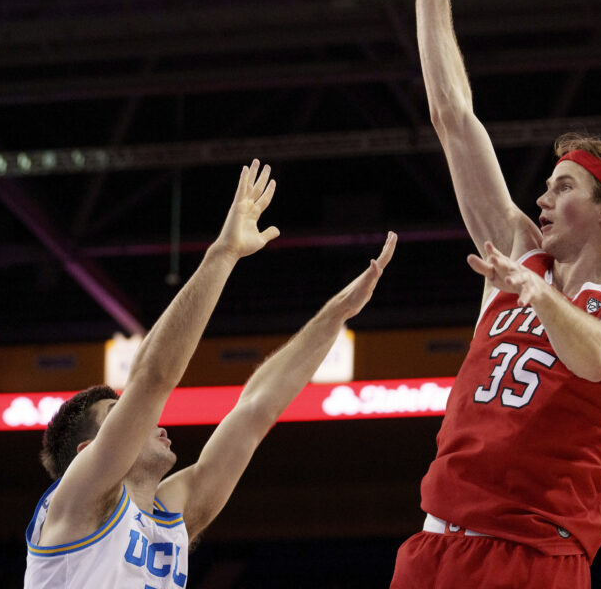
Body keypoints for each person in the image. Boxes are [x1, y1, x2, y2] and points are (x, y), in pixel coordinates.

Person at [390, 0, 601, 589]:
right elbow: (453, 118)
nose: (543, 198)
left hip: (533, 556)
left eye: (564, 186)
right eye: (546, 186)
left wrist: (537, 291)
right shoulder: (520, 256)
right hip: (433, 545)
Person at [24, 160, 396, 588]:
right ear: (89, 451)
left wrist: (337, 315)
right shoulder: (76, 503)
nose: (146, 419)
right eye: (119, 413)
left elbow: (254, 413)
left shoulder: (170, 511)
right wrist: (223, 253)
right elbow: (152, 378)